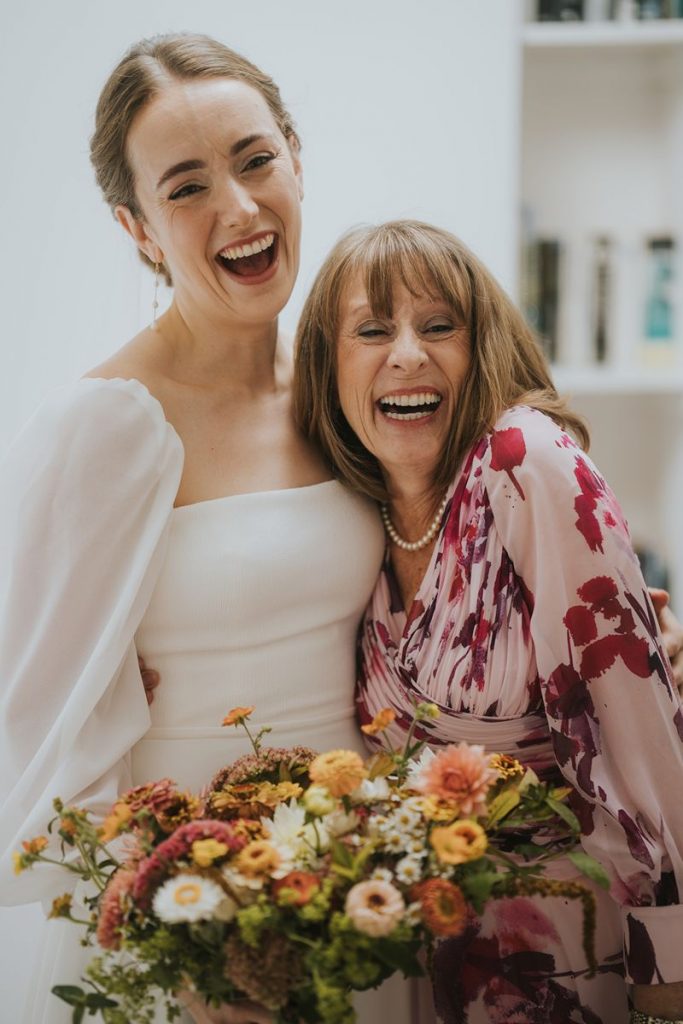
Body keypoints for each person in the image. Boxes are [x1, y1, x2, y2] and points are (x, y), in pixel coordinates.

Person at [0, 35, 407, 1024]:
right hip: (186, 936)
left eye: (254, 158)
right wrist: (178, 940)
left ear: (297, 162)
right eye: (185, 186)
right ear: (136, 226)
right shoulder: (104, 425)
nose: (237, 207)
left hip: (360, 899)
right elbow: (31, 741)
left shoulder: (343, 381)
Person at [294, 219, 683, 1024]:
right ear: (328, 367)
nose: (407, 353)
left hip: (578, 951)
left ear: (481, 348)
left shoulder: (523, 461)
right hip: (426, 952)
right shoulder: (353, 511)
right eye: (372, 330)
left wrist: (667, 950)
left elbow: (639, 730)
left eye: (439, 326)